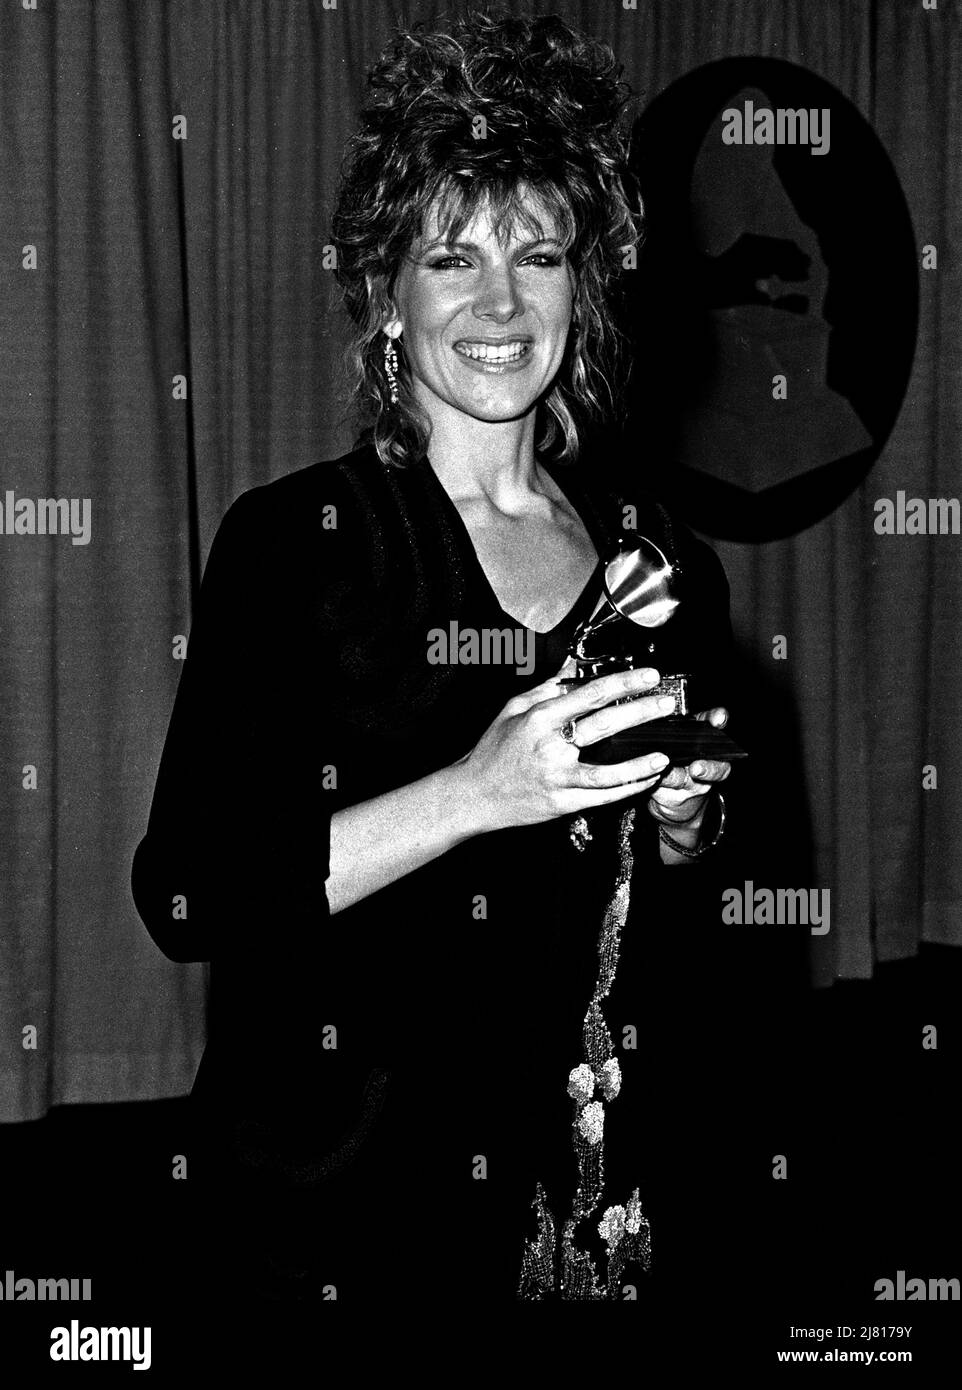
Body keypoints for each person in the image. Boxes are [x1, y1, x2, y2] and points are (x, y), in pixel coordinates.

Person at [131, 11, 735, 1308]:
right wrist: (476, 789)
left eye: (539, 256)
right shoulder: (301, 542)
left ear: (589, 284)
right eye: (451, 258)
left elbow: (677, 916)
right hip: (337, 1216)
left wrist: (685, 820)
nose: (501, 304)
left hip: (574, 1203)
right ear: (386, 296)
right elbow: (186, 896)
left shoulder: (660, 556)